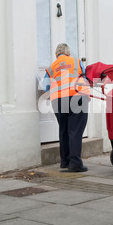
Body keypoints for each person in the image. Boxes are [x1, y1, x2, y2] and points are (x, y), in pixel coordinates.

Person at [43, 43, 90, 172]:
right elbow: (86, 78)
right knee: (75, 131)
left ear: (56, 55)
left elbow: (46, 87)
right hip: (77, 97)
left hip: (58, 100)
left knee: (64, 130)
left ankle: (65, 162)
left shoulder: (51, 68)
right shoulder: (77, 62)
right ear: (68, 53)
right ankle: (75, 163)